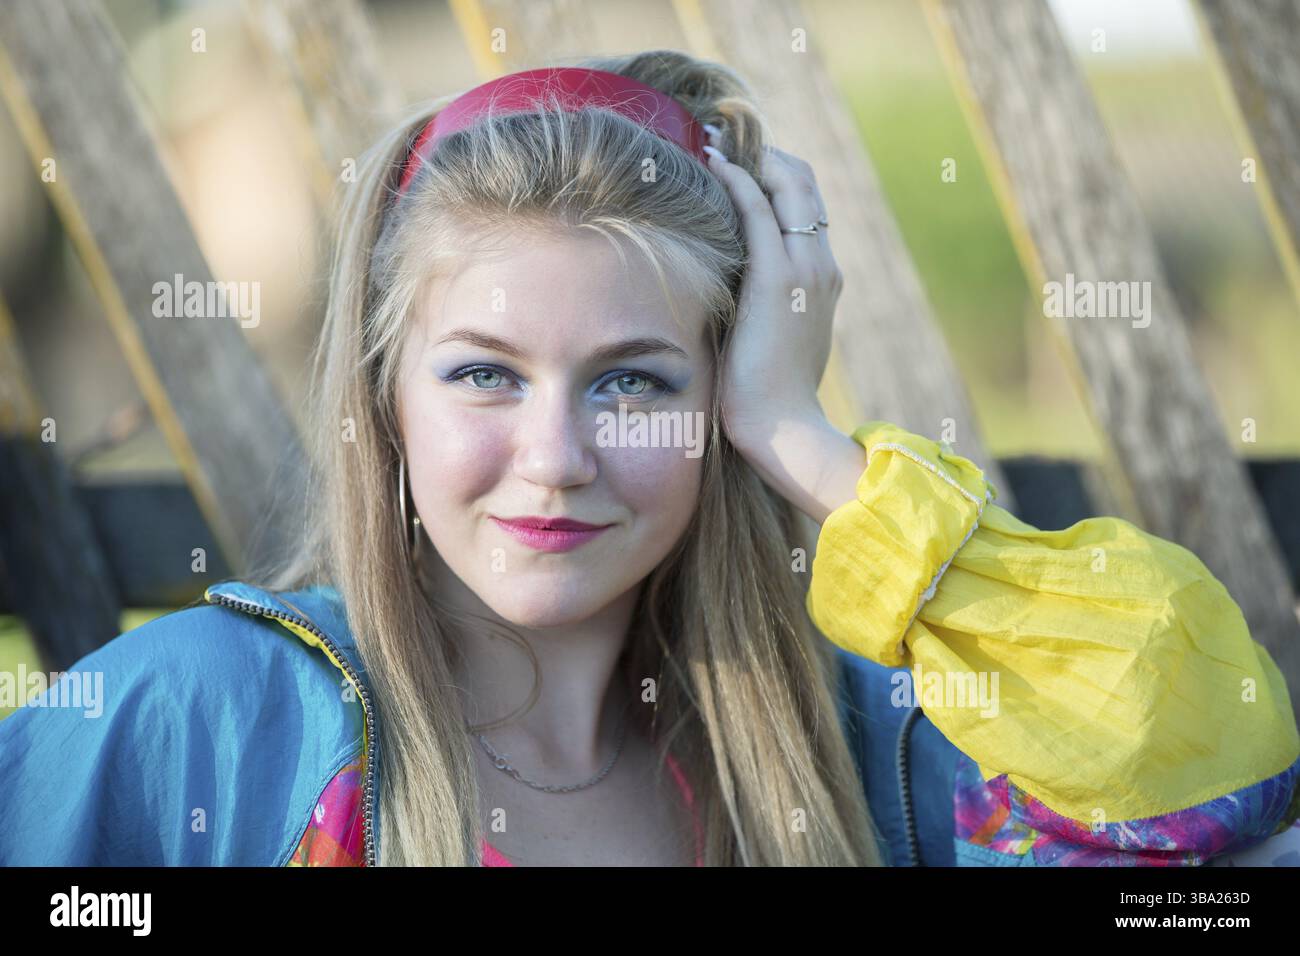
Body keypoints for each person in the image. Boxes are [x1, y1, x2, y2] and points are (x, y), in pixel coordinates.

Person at [1, 51, 1296, 867]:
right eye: (484, 375)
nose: (555, 458)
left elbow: (1212, 781)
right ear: (383, 398)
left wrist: (801, 436)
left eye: (633, 381)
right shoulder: (210, 724)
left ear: (724, 391)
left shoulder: (855, 751)